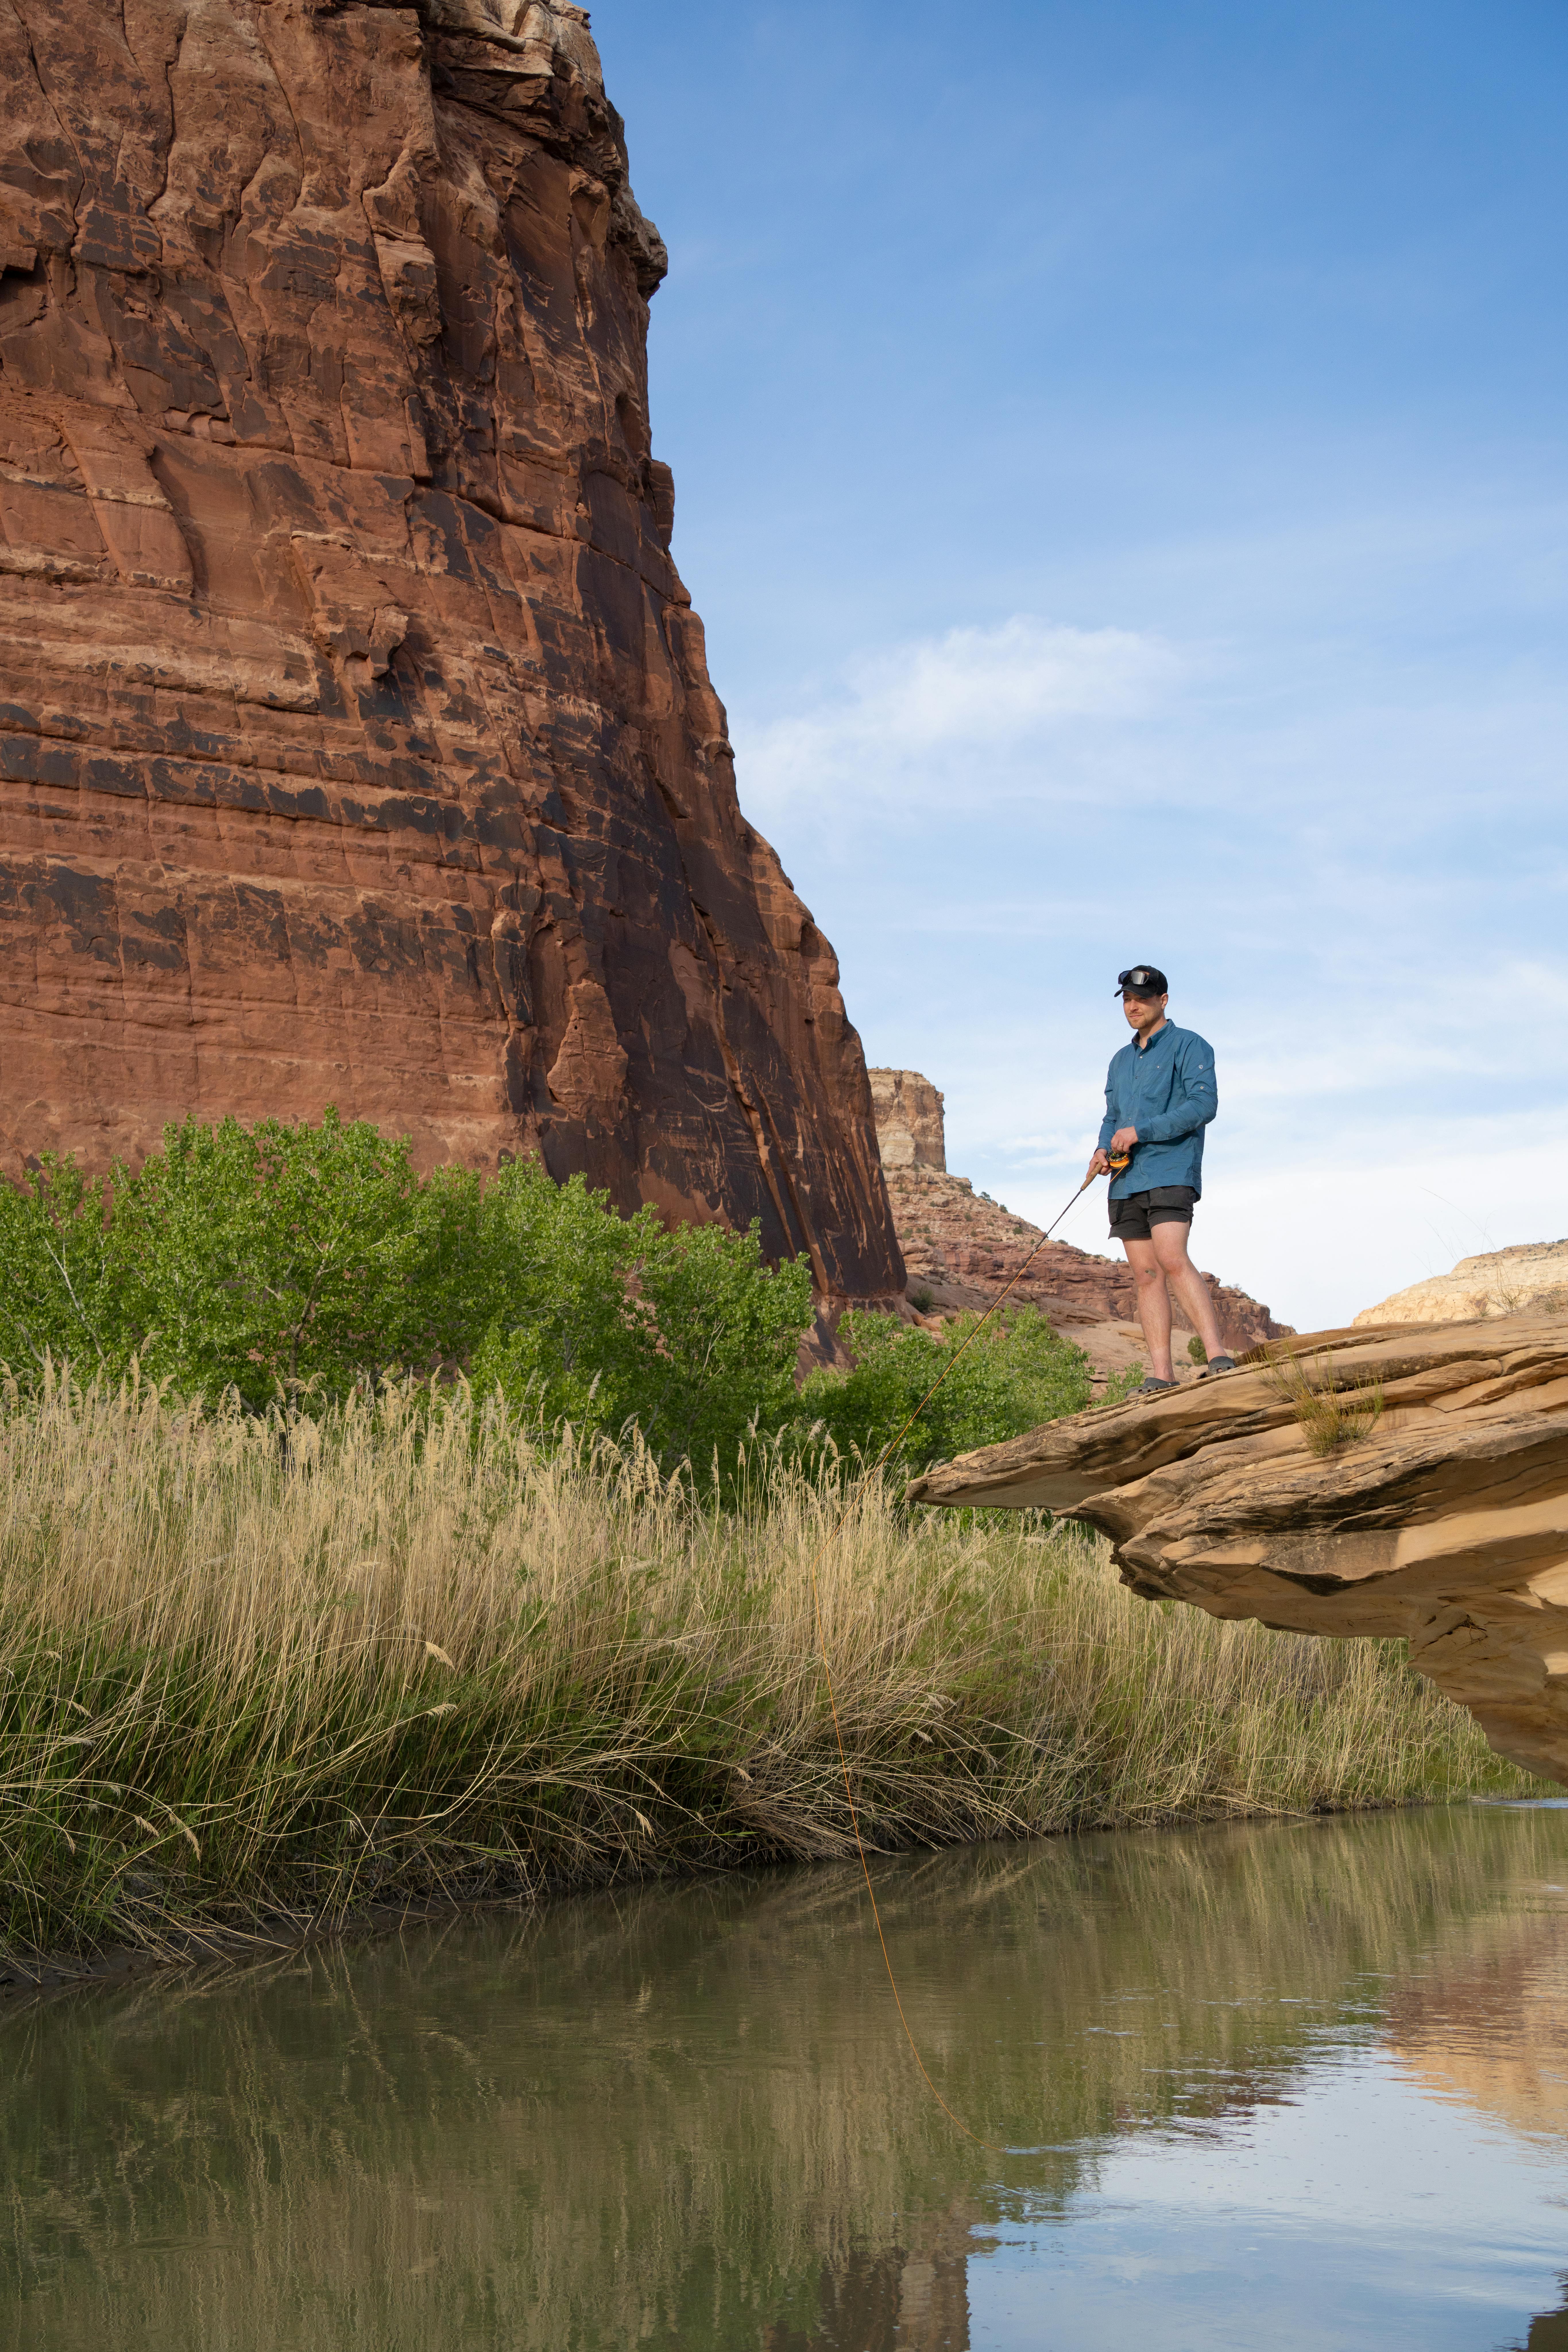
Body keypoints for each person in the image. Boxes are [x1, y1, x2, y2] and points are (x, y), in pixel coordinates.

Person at [1085, 964, 1234, 1397]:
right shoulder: (1119, 1060)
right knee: (1145, 1273)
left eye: (1141, 1000)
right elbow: (1112, 1117)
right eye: (1127, 1001)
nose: (1132, 1007)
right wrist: (1100, 1150)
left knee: (1171, 1258)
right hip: (1126, 1180)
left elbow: (1202, 1106)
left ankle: (1217, 1357)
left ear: (1162, 1001)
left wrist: (1142, 1132)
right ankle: (1162, 1374)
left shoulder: (1190, 1045)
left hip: (1170, 1169)